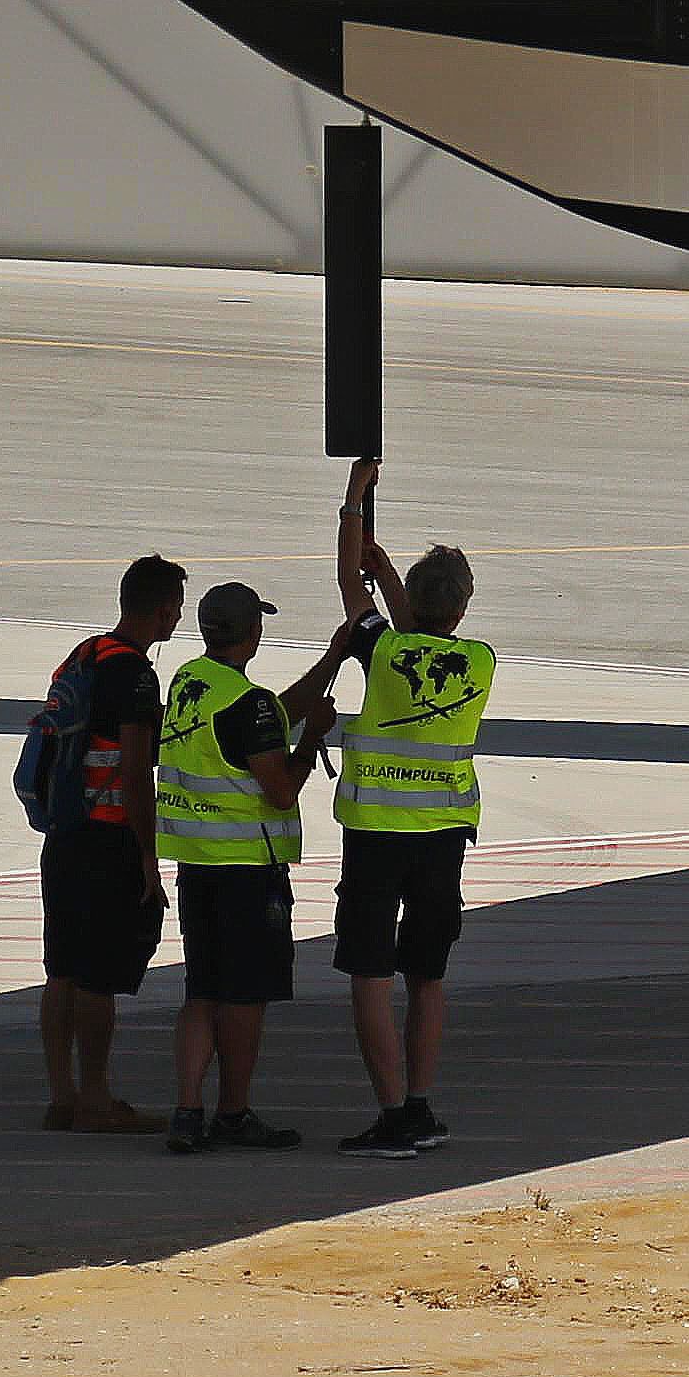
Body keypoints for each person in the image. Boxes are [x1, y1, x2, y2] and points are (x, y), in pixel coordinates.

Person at [314, 460, 496, 1159]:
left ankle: (389, 1112)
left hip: (376, 834)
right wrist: (391, 575)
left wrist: (353, 502)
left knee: (369, 971)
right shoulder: (478, 661)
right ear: (464, 607)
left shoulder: (382, 651)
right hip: (442, 837)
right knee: (429, 974)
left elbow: (347, 586)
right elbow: (416, 629)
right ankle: (419, 1102)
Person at [154, 579, 313, 1152]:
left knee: (202, 992)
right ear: (255, 632)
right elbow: (279, 791)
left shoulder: (191, 682)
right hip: (249, 870)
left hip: (196, 864)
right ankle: (234, 1111)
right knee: (244, 998)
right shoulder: (248, 704)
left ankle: (187, 1109)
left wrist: (335, 657)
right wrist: (310, 740)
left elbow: (268, 714)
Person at [37, 557, 182, 1132]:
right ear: (164, 608)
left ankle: (63, 1096)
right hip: (109, 834)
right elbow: (134, 770)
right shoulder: (135, 676)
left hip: (64, 832)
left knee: (62, 969)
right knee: (99, 976)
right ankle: (97, 1097)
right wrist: (148, 856)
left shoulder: (85, 654)